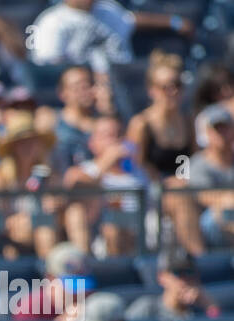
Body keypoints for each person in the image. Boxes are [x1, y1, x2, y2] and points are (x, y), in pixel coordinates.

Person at [62, 114, 147, 256]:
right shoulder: (82, 171)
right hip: (102, 239)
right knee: (109, 227)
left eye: (119, 134)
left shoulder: (141, 171)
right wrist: (106, 161)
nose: (115, 141)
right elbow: (72, 185)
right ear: (92, 143)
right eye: (108, 135)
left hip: (142, 236)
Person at [29, 0, 191, 72]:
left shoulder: (108, 9)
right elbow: (49, 68)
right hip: (89, 87)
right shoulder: (52, 21)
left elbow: (133, 20)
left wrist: (174, 22)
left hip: (126, 77)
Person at [0, 112, 59, 259]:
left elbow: (55, 208)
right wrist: (23, 221)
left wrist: (55, 203)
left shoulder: (47, 175)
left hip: (43, 232)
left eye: (32, 141)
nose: (28, 147)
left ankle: (53, 277)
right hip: (8, 239)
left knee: (44, 229)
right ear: (13, 147)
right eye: (22, 142)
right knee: (36, 229)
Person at [170, 104, 234, 253]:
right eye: (216, 129)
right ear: (205, 133)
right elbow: (207, 197)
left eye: (225, 128)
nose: (222, 134)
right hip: (211, 224)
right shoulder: (197, 164)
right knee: (222, 212)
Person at [125, 51, 193, 183]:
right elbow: (134, 167)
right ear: (152, 90)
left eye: (177, 85)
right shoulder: (141, 124)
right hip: (152, 192)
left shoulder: (189, 122)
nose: (173, 91)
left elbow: (195, 163)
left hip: (184, 189)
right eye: (165, 87)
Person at [125, 247, 220, 321]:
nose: (184, 279)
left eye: (189, 272)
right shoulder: (147, 308)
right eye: (177, 273)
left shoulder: (201, 310)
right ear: (161, 278)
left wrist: (209, 306)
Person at [12, 241, 94, 321]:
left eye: (83, 287)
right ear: (50, 279)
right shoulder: (31, 307)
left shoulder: (92, 303)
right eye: (71, 286)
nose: (78, 293)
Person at [52, 65, 98, 170]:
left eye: (88, 84)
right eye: (78, 86)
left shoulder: (104, 123)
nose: (85, 90)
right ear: (63, 94)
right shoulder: (52, 123)